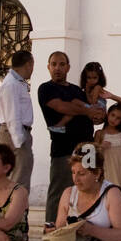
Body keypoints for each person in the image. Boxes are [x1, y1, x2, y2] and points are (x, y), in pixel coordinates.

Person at [38, 52, 103, 226]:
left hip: (86, 147)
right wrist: (83, 110)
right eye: (53, 64)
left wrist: (86, 110)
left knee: (88, 188)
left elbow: (94, 112)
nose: (57, 68)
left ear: (68, 67)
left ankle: (86, 227)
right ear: (48, 67)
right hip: (63, 148)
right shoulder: (46, 88)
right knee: (59, 190)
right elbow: (60, 106)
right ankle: (51, 227)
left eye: (61, 64)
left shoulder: (76, 90)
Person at [0, 50, 35, 188]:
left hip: (17, 133)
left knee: (20, 177)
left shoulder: (17, 83)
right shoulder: (11, 84)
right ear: (28, 64)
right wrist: (19, 142)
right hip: (14, 134)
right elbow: (12, 114)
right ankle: (16, 208)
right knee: (19, 179)